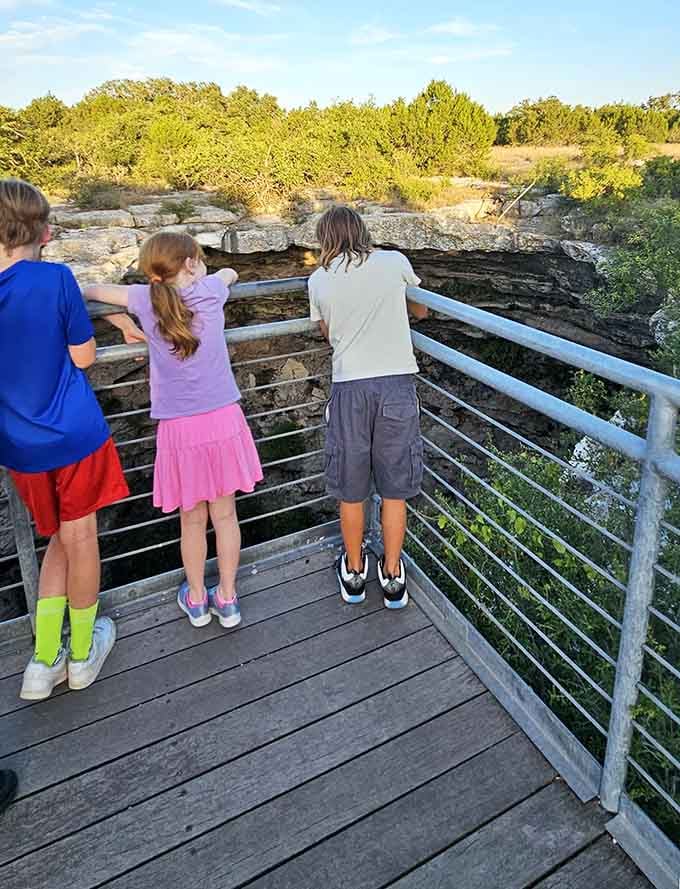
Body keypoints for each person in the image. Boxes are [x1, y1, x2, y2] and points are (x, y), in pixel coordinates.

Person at [84, 232, 263, 629]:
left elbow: (90, 290)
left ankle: (196, 600)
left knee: (191, 520)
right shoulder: (211, 290)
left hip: (179, 430)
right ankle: (228, 599)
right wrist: (210, 274)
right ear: (189, 264)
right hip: (222, 420)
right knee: (226, 516)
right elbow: (230, 273)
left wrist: (120, 320)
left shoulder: (143, 299)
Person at [0, 178, 135, 700]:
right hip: (75, 436)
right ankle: (81, 653)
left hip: (20, 446)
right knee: (81, 541)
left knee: (55, 538)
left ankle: (42, 661)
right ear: (43, 232)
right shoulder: (55, 278)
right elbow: (84, 356)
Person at [309, 205, 428, 609]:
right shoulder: (394, 261)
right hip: (396, 385)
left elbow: (328, 333)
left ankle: (355, 572)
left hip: (350, 388)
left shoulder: (318, 279)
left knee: (351, 489)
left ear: (325, 238)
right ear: (362, 231)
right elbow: (421, 308)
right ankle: (392, 576)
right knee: (394, 491)